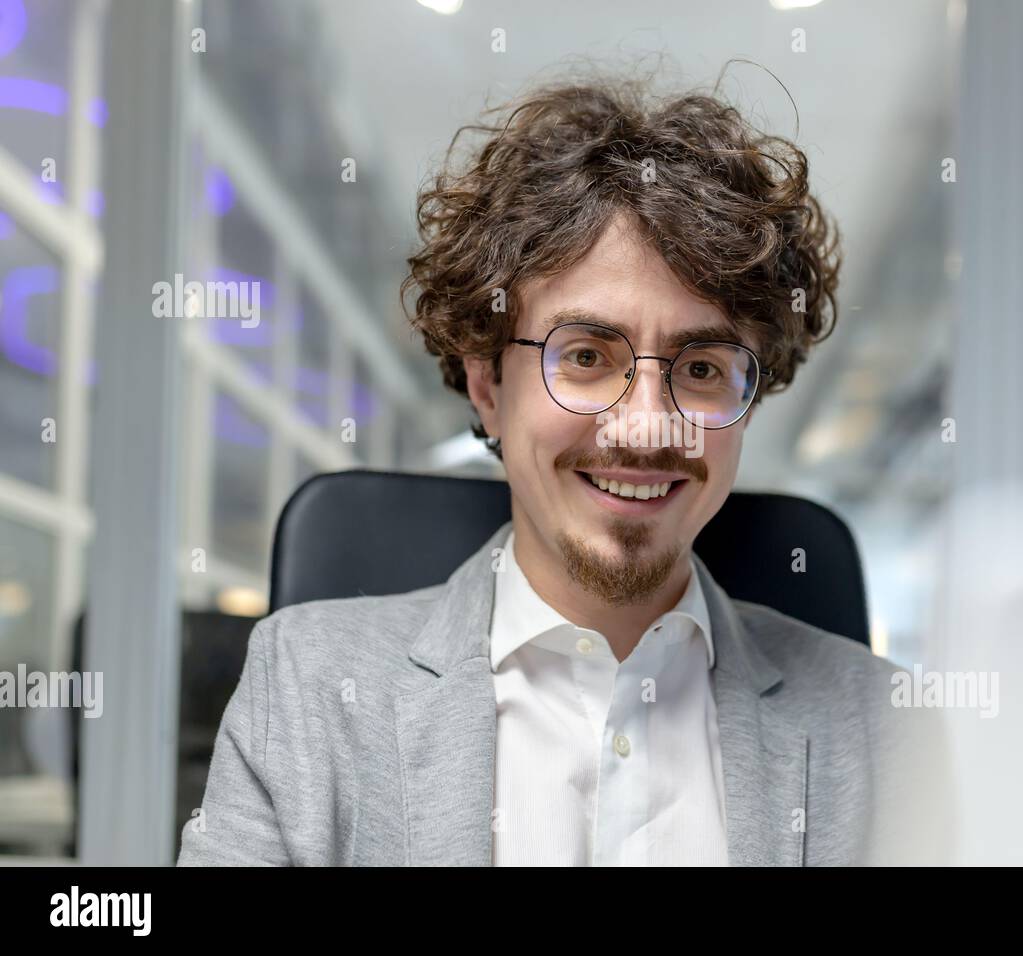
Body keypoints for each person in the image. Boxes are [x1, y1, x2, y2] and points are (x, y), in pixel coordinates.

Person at [178, 74, 953, 867]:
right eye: (585, 356)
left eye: (703, 368)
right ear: (487, 383)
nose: (648, 427)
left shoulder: (886, 731)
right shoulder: (307, 690)